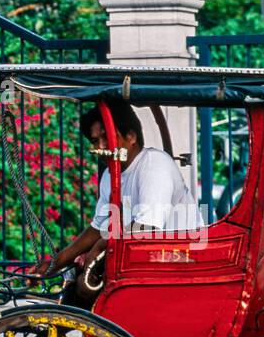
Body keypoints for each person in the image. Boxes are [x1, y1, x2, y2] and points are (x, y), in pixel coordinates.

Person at [28, 96, 203, 304]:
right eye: (95, 141)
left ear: (131, 136)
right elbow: (98, 228)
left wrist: (100, 248)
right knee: (78, 283)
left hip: (180, 260)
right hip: (147, 259)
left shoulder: (153, 165)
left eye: (107, 137)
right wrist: (54, 265)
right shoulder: (111, 174)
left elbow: (146, 227)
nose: (101, 147)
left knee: (88, 286)